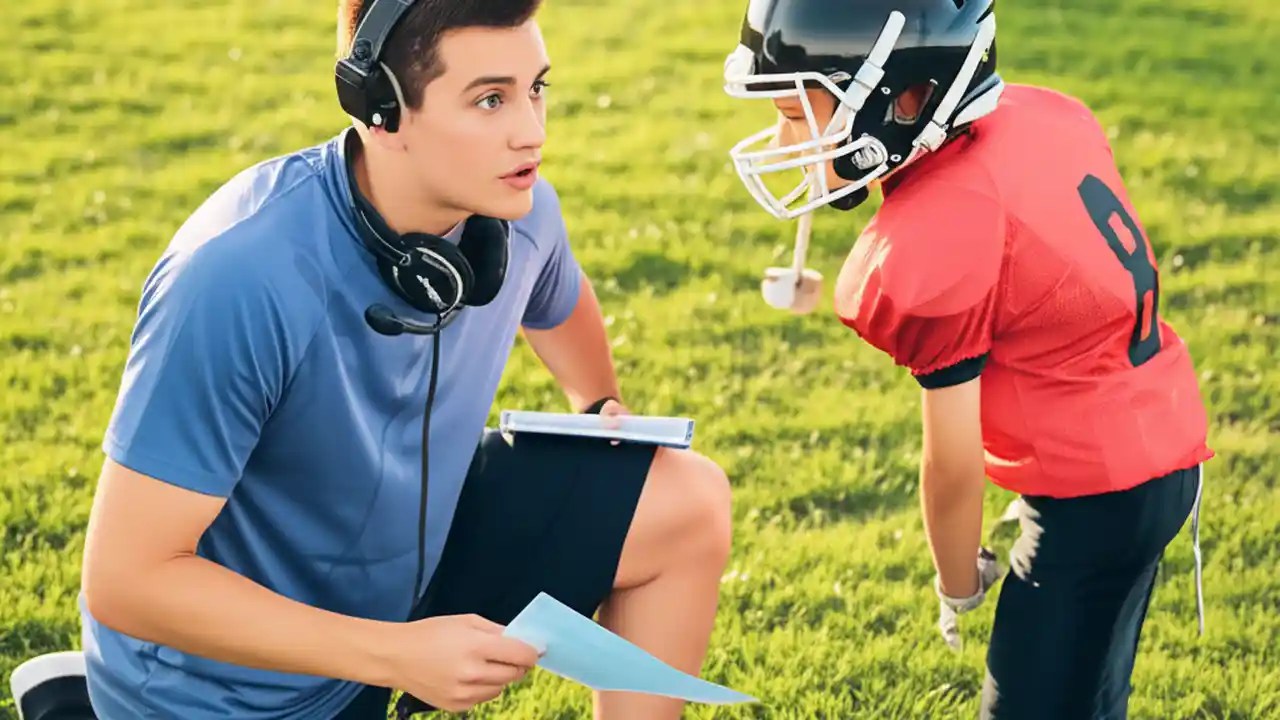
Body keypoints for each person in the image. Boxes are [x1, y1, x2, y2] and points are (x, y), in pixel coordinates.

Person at [30, 1, 735, 719]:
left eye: (536, 89)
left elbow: (559, 296)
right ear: (383, 110)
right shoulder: (237, 275)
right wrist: (395, 654)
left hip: (409, 563)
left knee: (683, 499)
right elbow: (127, 579)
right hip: (227, 693)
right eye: (491, 99)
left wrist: (597, 404)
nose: (532, 130)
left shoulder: (514, 213)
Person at [720, 1, 1212, 718]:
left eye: (799, 112)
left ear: (905, 97)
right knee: (1091, 688)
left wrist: (958, 580)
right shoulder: (1040, 116)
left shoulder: (936, 240)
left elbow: (951, 464)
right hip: (1155, 440)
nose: (782, 134)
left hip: (1095, 497)